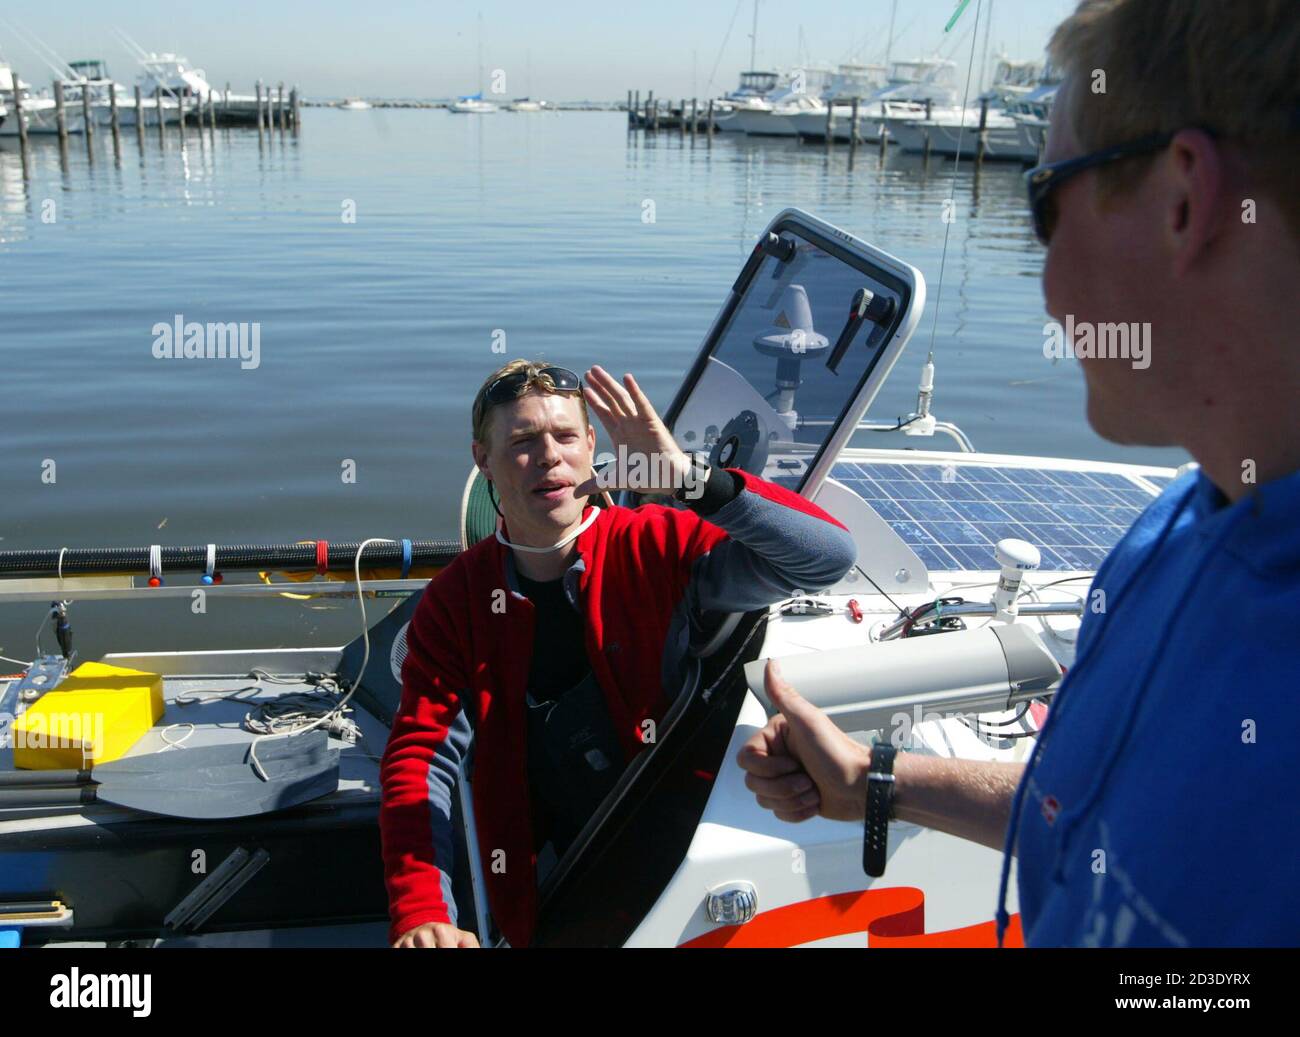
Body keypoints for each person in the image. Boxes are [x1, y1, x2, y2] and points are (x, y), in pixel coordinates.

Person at [739, 0, 1300, 947]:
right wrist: (883, 780)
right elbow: (1091, 807)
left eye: (1044, 198)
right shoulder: (1178, 528)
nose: (1043, 280)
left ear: (1182, 202)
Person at [381, 359, 857, 947]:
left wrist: (688, 478)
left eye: (565, 436)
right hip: (547, 866)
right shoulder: (456, 602)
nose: (549, 456)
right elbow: (420, 760)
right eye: (523, 442)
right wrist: (423, 909)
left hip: (675, 843)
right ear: (483, 460)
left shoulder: (654, 543)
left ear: (590, 446)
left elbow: (826, 558)